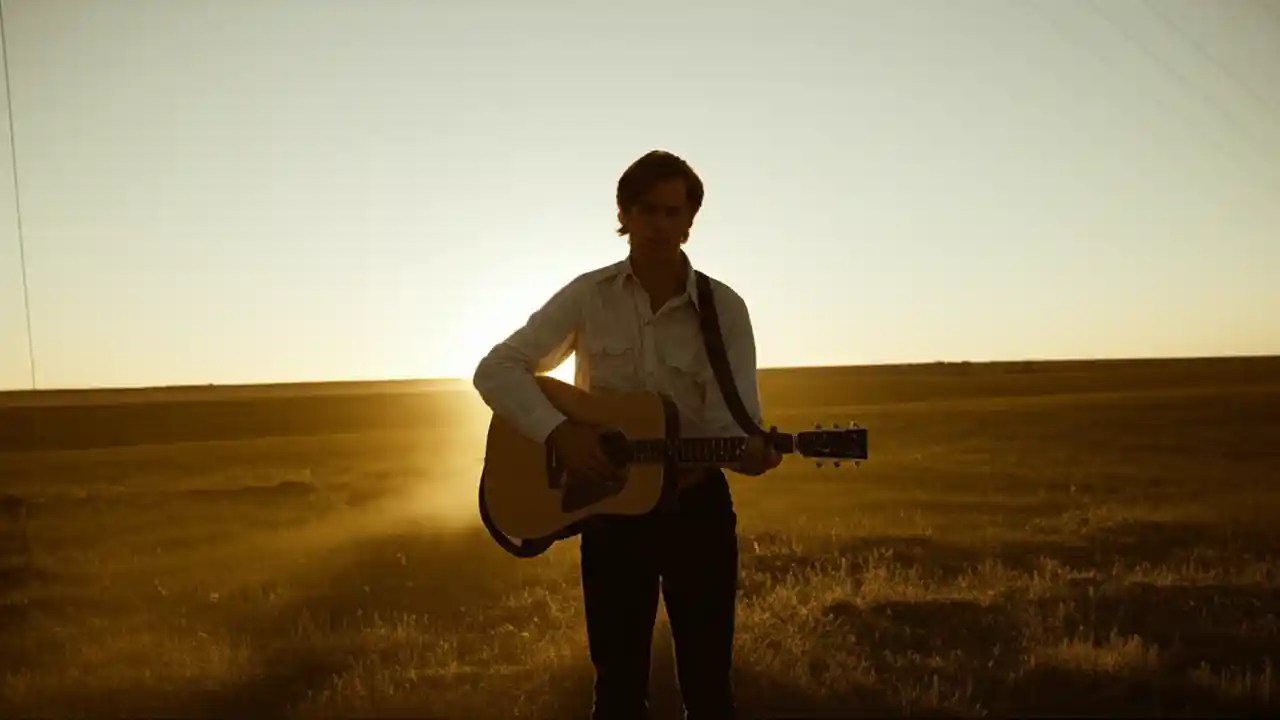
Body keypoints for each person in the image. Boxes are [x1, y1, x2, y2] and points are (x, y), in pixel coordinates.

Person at [472, 149, 781, 719]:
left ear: (691, 220)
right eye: (648, 211)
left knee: (711, 689)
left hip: (697, 512)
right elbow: (496, 369)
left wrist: (752, 450)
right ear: (625, 214)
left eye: (674, 212)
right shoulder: (589, 296)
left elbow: (733, 423)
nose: (661, 225)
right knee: (615, 692)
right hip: (613, 517)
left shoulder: (724, 309)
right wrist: (560, 433)